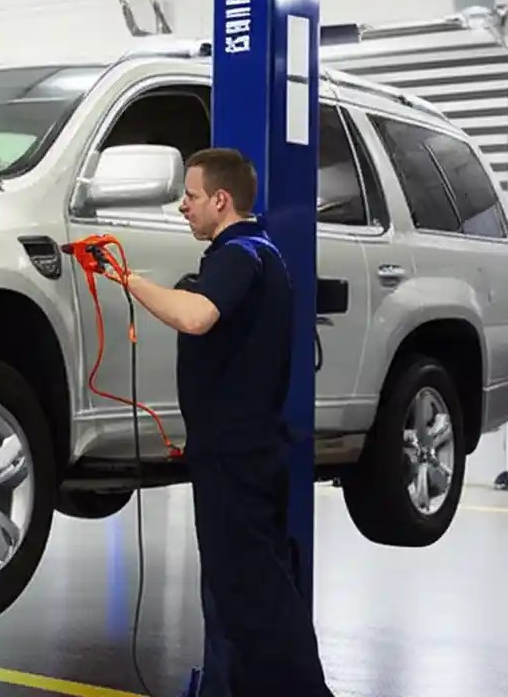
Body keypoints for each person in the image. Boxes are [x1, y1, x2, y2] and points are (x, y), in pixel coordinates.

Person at [102, 148, 334, 696]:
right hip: (243, 452)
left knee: (254, 597)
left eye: (191, 196)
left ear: (221, 200)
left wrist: (126, 277)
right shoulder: (262, 254)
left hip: (237, 458)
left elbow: (195, 316)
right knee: (243, 595)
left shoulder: (241, 254)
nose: (183, 206)